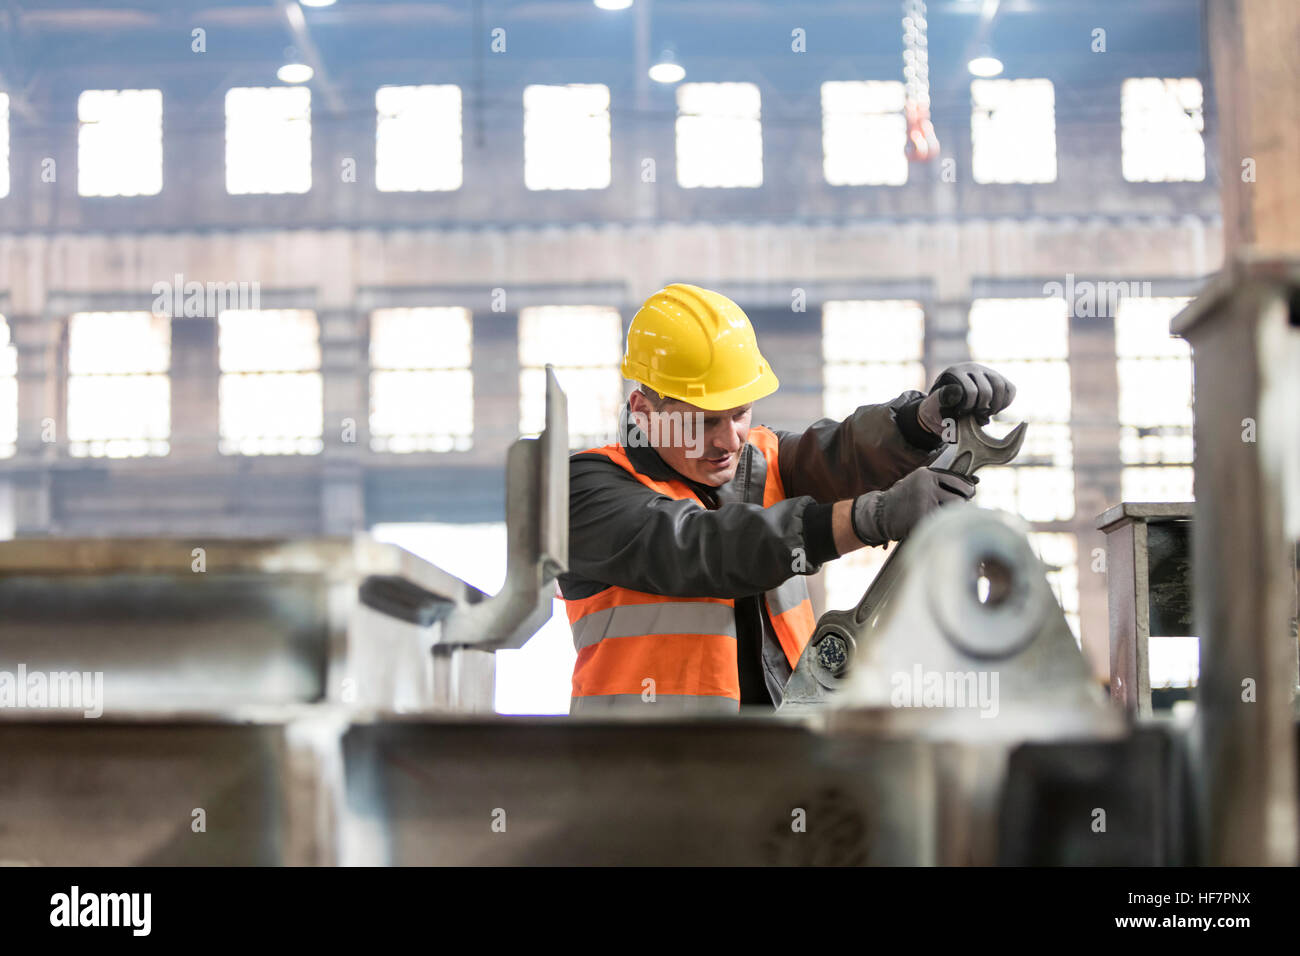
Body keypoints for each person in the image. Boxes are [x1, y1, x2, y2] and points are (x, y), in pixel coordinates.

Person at [559, 283, 1016, 713]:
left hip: (783, 747)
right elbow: (702, 548)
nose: (729, 441)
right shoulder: (586, 489)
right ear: (643, 412)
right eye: (703, 423)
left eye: (739, 414)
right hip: (637, 774)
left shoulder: (761, 460)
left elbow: (839, 456)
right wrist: (870, 518)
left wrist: (922, 421)